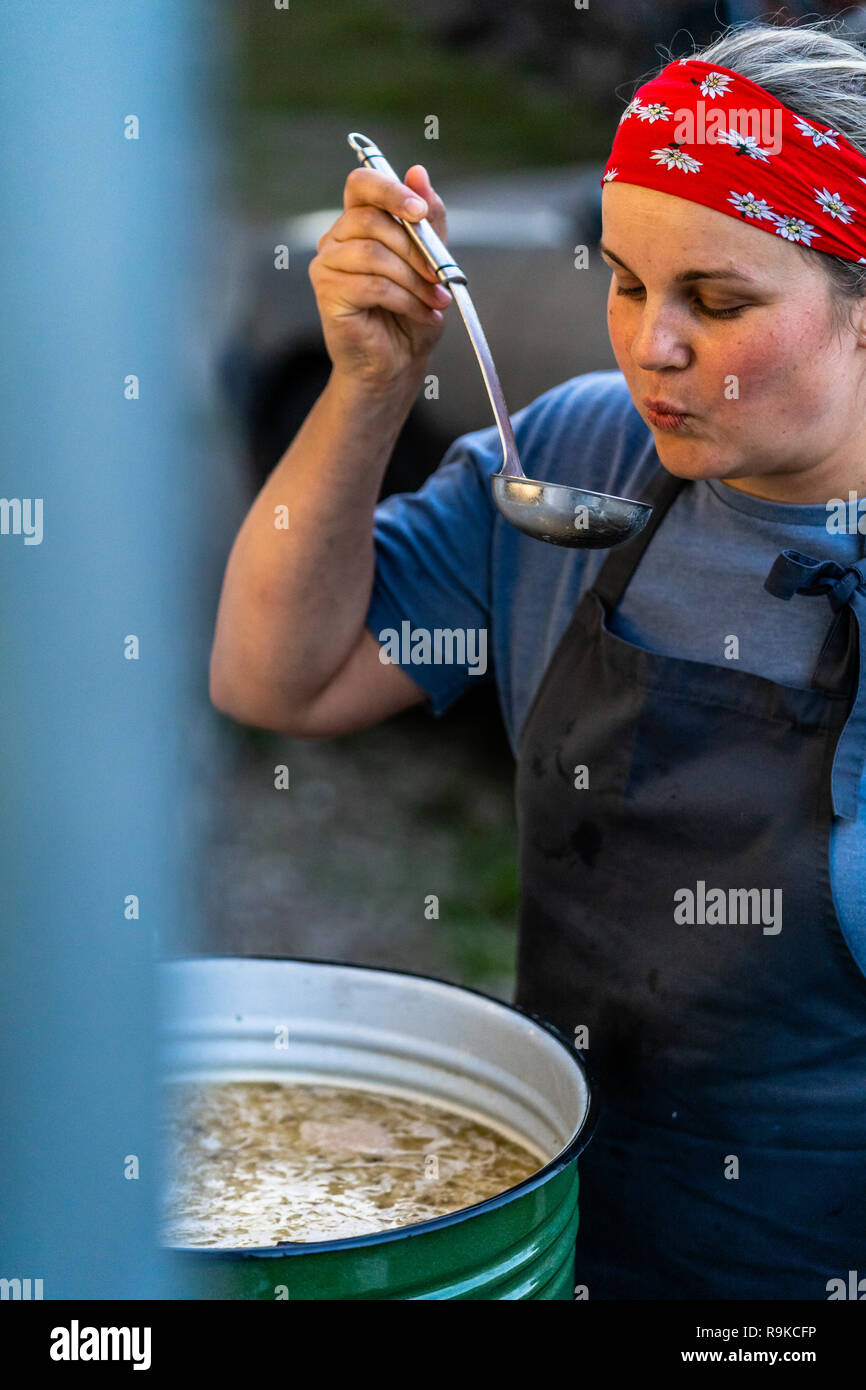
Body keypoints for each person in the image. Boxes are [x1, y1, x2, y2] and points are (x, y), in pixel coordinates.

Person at [209, 18, 866, 1299]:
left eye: (715, 302)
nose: (647, 347)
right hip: (549, 1236)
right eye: (625, 282)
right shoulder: (580, 460)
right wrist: (368, 389)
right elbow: (274, 678)